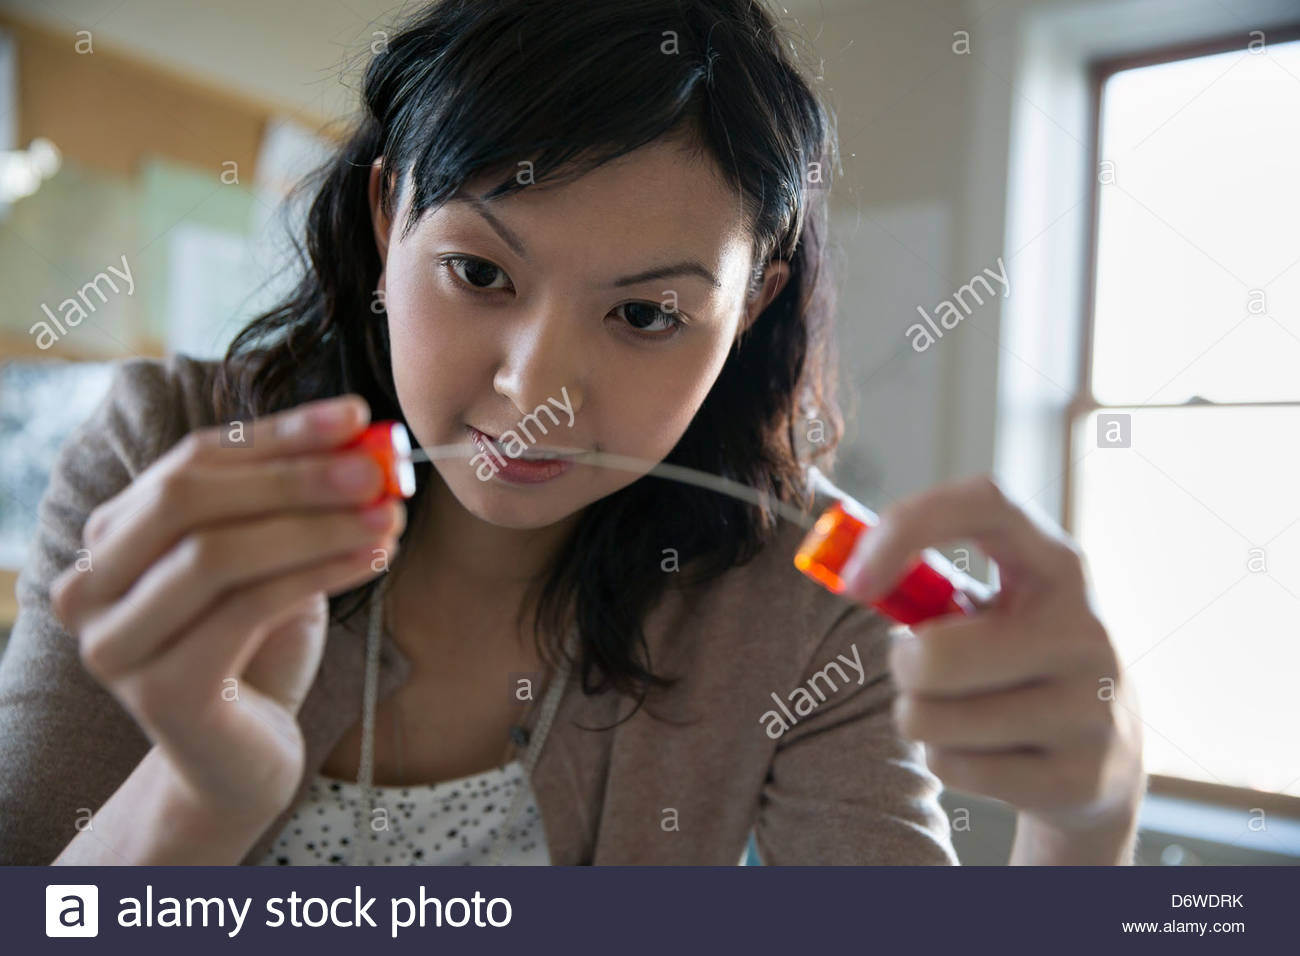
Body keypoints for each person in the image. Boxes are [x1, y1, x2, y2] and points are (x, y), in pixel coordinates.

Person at [0, 0, 1142, 866]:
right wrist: (201, 787)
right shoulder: (167, 443)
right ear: (390, 215)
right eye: (480, 271)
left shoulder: (803, 595)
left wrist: (1084, 821)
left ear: (745, 310)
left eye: (645, 314)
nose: (536, 389)